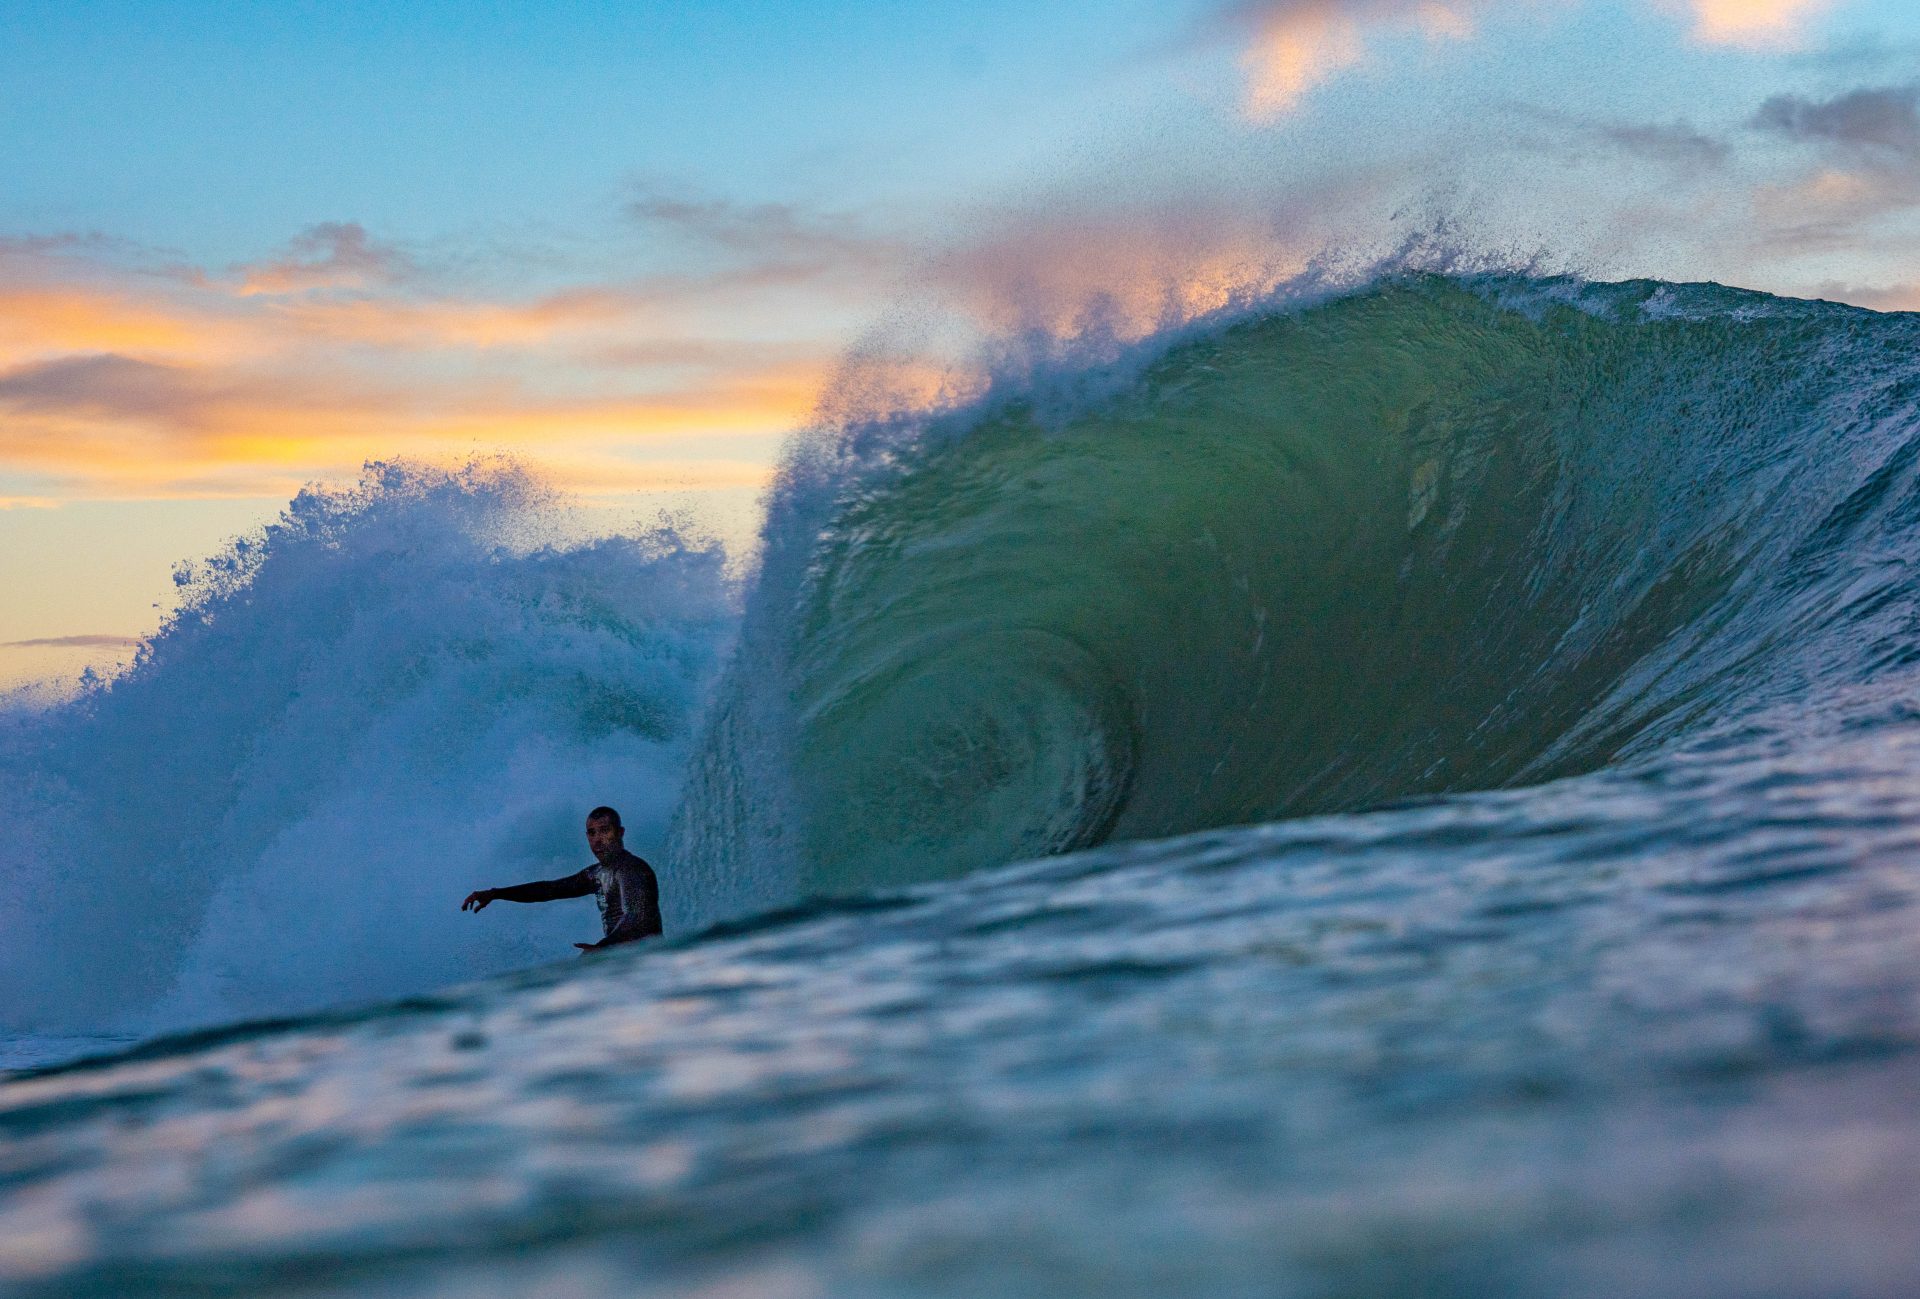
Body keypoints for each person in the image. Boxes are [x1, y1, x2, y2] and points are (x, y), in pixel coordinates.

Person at [462, 806, 663, 952]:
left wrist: (601, 948)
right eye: (592, 833)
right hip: (621, 957)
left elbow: (636, 919)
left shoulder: (632, 870)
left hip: (647, 960)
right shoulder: (596, 874)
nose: (597, 840)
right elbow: (550, 890)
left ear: (620, 833)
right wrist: (496, 893)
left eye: (604, 831)